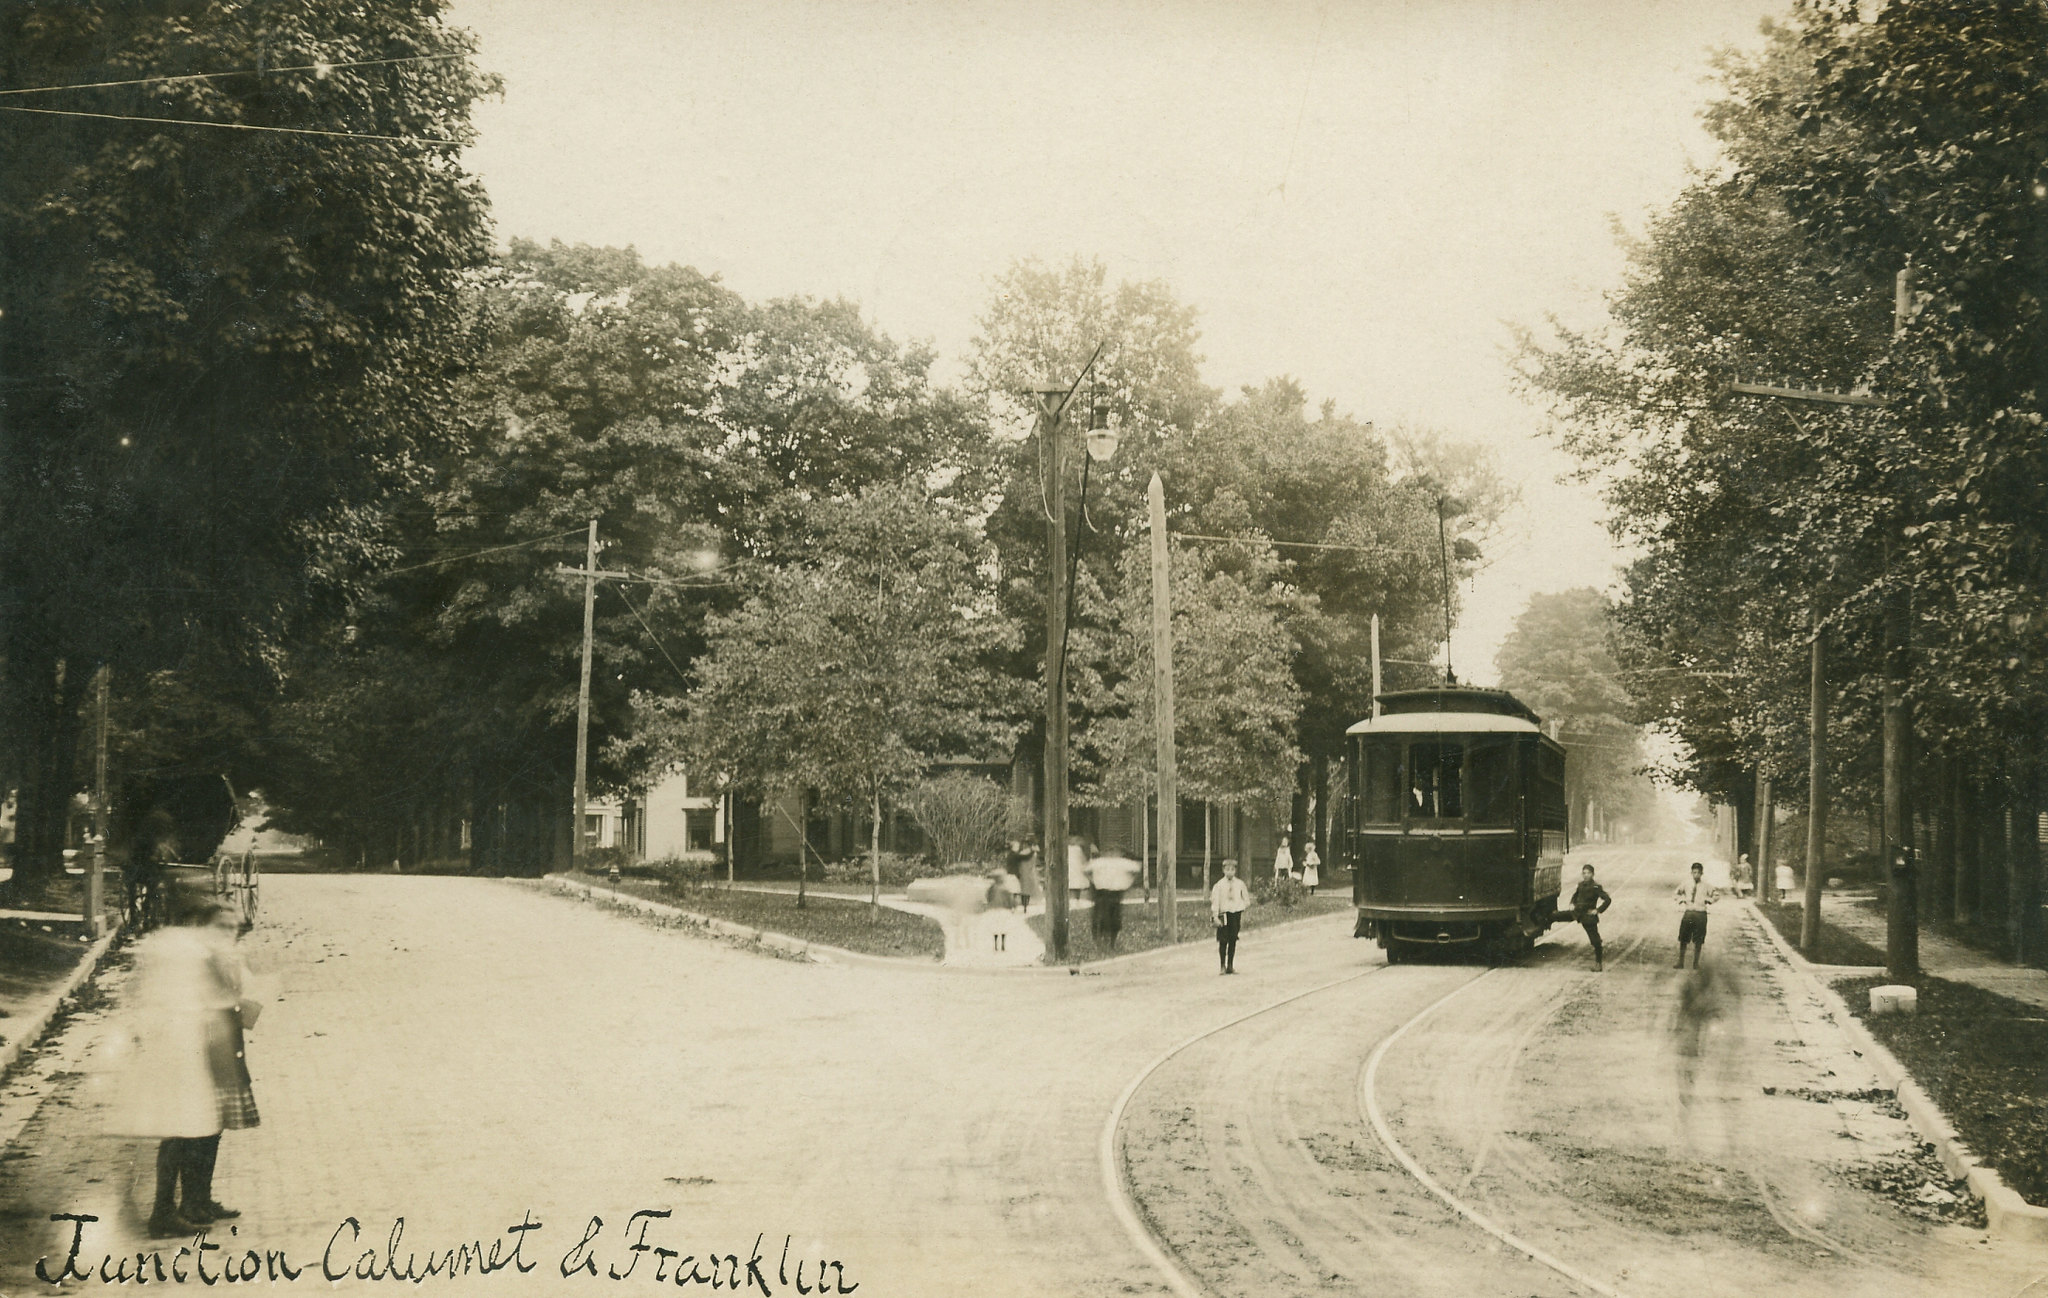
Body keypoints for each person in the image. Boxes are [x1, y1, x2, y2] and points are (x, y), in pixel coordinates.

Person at [110, 898, 261, 1235]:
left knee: (199, 1126)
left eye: (234, 926)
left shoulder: (171, 943)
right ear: (198, 922)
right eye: (221, 925)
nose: (229, 932)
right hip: (187, 1046)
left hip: (188, 1043)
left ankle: (191, 1201)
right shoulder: (194, 950)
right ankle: (171, 1210)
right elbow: (219, 996)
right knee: (185, 1128)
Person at [1087, 852, 1141, 951]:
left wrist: (1129, 882)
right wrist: (1093, 881)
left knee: (1114, 918)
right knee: (1102, 916)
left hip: (1116, 893)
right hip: (1102, 892)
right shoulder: (1100, 862)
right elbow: (1086, 870)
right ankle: (1100, 941)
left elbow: (1137, 868)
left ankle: (1111, 943)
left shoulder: (1122, 862)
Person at [1568, 862, 1612, 971]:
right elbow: (1575, 895)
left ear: (1593, 874)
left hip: (1588, 917)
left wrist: (1598, 910)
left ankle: (1598, 963)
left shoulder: (1596, 887)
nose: (1586, 875)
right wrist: (1572, 903)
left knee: (1595, 940)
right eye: (1584, 873)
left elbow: (1607, 899)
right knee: (1555, 916)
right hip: (1577, 913)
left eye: (1588, 873)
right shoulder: (1580, 885)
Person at [1675, 861, 1717, 968]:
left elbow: (1716, 895)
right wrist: (1681, 899)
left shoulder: (1706, 886)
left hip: (1701, 914)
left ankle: (1696, 963)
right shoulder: (1686, 884)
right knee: (1683, 938)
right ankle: (1681, 962)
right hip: (1689, 912)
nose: (1696, 875)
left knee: (1698, 939)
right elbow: (1676, 893)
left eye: (1698, 873)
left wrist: (1709, 900)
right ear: (1691, 873)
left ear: (1702, 873)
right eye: (1694, 872)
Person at [1211, 858, 1249, 974]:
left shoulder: (1240, 884)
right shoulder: (1219, 885)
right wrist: (1215, 915)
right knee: (1223, 940)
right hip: (1224, 914)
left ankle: (1230, 965)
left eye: (1232, 870)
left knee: (1233, 939)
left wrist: (1239, 906)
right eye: (1227, 869)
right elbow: (1215, 901)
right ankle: (1222, 965)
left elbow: (1246, 900)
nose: (1230, 872)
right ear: (1223, 870)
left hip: (1235, 914)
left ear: (1235, 871)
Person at [1067, 835, 1094, 903]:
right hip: (1076, 870)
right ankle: (1075, 901)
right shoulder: (1077, 849)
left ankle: (1073, 902)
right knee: (1076, 887)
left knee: (1072, 887)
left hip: (1070, 871)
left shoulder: (1067, 849)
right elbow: (1083, 861)